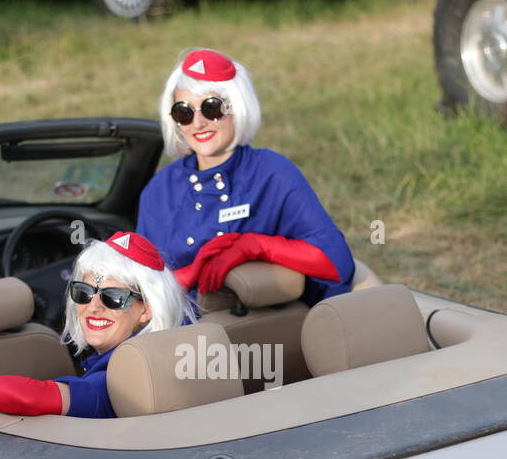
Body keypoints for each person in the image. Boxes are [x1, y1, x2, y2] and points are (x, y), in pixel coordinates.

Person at [137, 48, 355, 306]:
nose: (197, 124)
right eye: (184, 112)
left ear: (237, 107)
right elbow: (143, 289)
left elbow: (336, 263)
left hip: (256, 332)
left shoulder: (272, 173)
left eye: (211, 108)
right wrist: (189, 274)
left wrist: (255, 246)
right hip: (178, 333)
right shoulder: (160, 189)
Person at [0, 231, 193, 418]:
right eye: (83, 292)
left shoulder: (117, 383)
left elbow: (32, 398)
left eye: (114, 297)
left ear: (147, 310)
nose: (93, 306)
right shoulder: (183, 352)